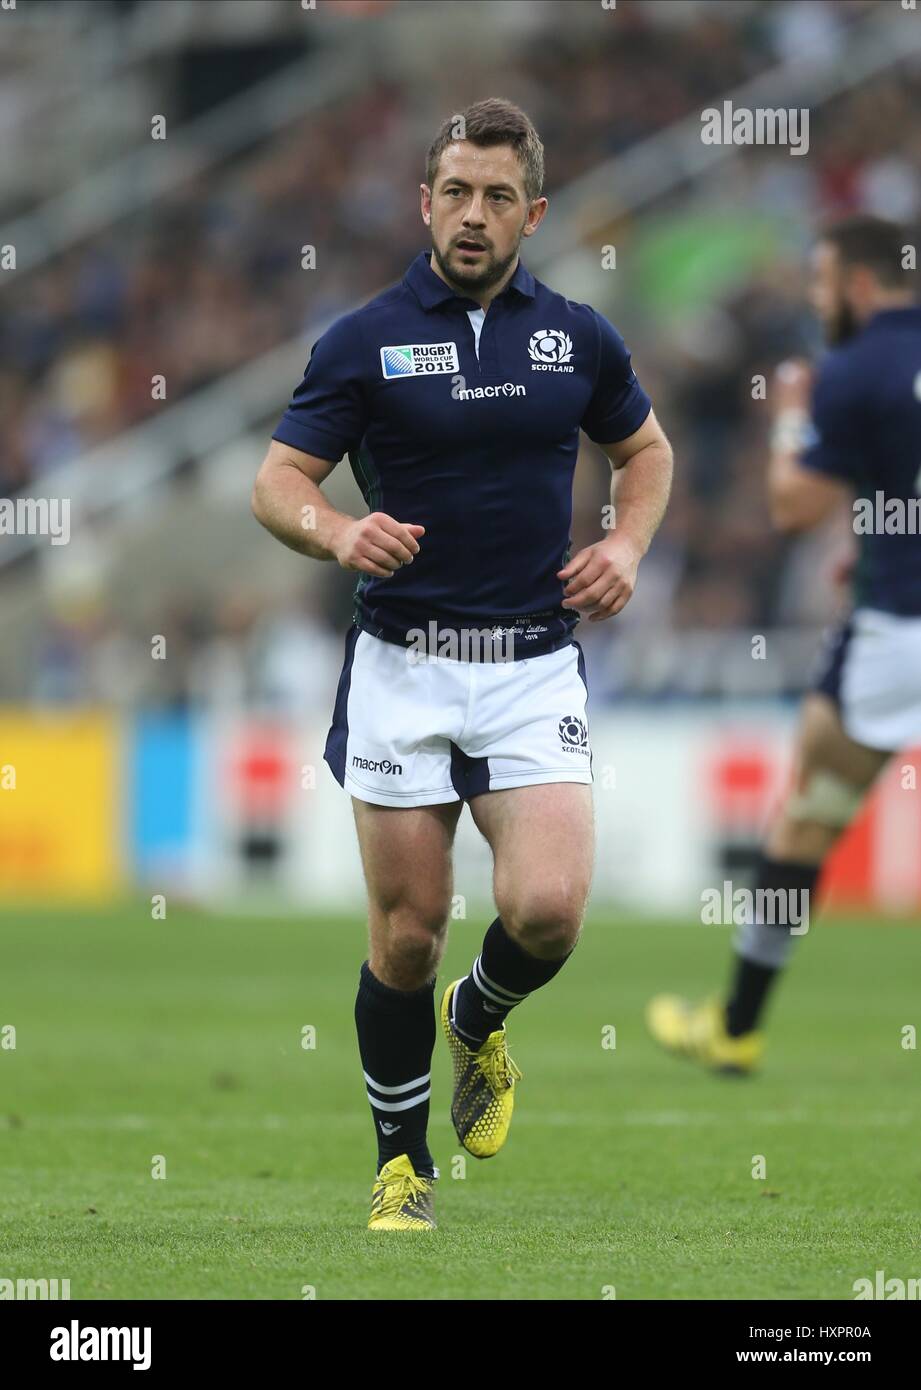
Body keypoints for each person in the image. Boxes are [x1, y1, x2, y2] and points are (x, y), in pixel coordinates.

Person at [253, 98, 673, 1228]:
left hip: (533, 662)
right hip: (404, 664)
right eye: (455, 191)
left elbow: (646, 450)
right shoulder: (364, 339)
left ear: (532, 212)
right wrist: (340, 532)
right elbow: (278, 481)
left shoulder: (577, 336)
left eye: (497, 196)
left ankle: (477, 1021)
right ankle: (402, 1166)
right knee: (408, 931)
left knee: (546, 910)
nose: (473, 215)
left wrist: (627, 542)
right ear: (423, 201)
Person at [647, 215, 921, 1075]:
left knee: (809, 808)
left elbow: (793, 507)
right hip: (889, 603)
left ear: (859, 285)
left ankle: (735, 1023)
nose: (815, 299)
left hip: (896, 632)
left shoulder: (851, 368)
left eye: (820, 283)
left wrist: (790, 418)